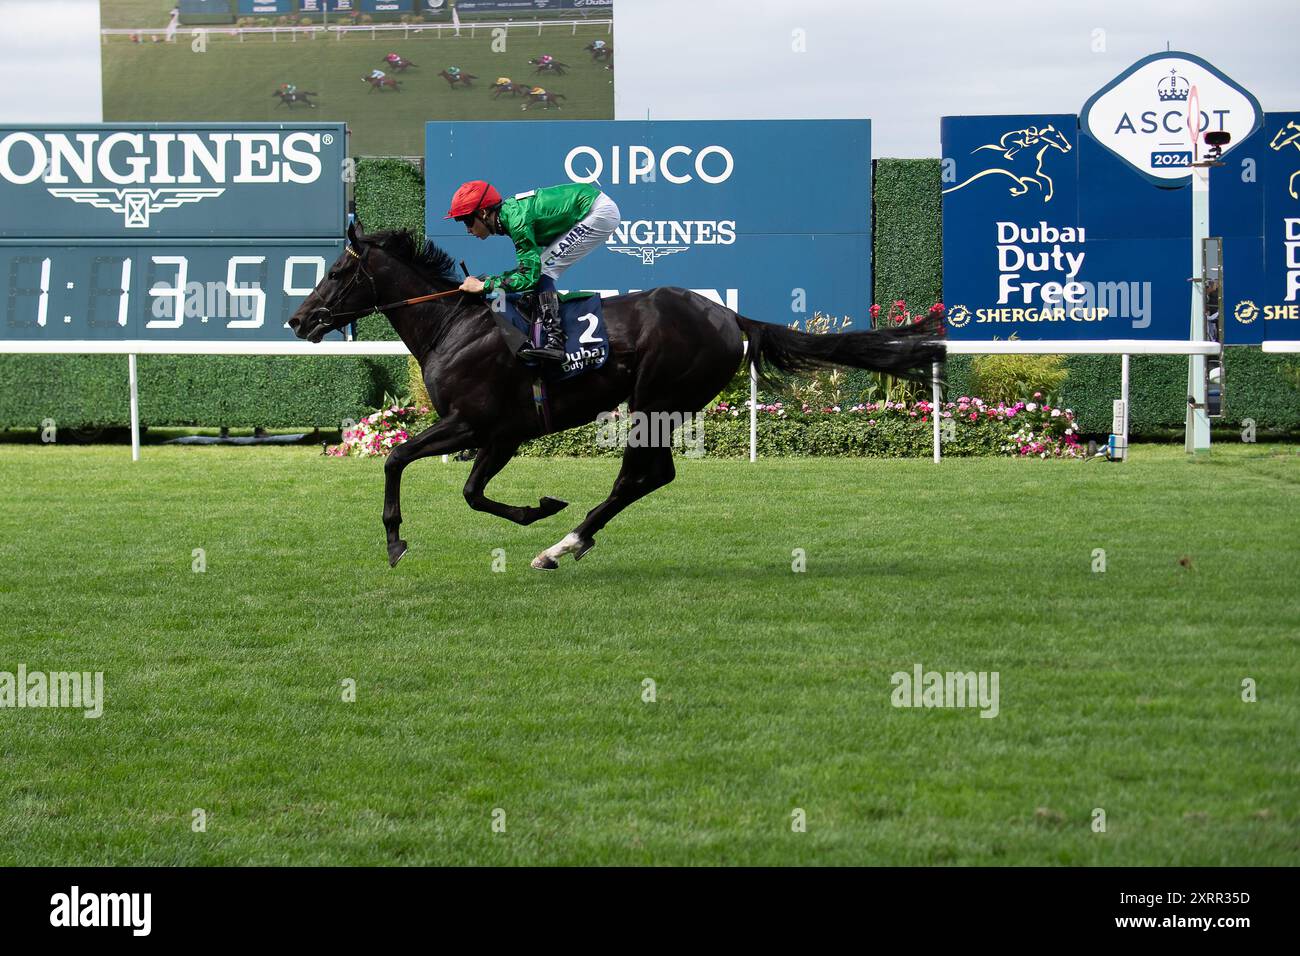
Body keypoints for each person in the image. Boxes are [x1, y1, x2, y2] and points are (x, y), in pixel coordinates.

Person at [446, 181, 621, 362]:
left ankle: (556, 343)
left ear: (483, 213)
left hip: (598, 212)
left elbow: (529, 277)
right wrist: (492, 282)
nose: (468, 229)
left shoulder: (517, 220)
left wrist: (485, 285)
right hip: (587, 207)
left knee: (544, 270)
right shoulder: (508, 217)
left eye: (467, 220)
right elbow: (529, 269)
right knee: (541, 266)